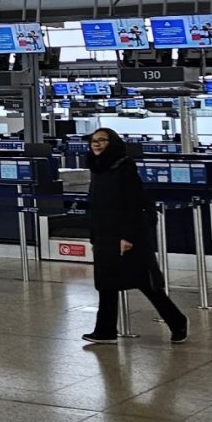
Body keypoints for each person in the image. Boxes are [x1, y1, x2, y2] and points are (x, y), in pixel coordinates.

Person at [80, 126, 188, 346]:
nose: (97, 144)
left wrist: (127, 236)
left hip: (127, 235)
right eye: (94, 140)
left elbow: (133, 204)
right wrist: (94, 236)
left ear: (113, 143)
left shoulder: (124, 168)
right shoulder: (97, 168)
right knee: (106, 284)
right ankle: (105, 330)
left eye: (102, 140)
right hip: (104, 234)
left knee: (144, 283)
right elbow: (96, 205)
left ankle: (178, 322)